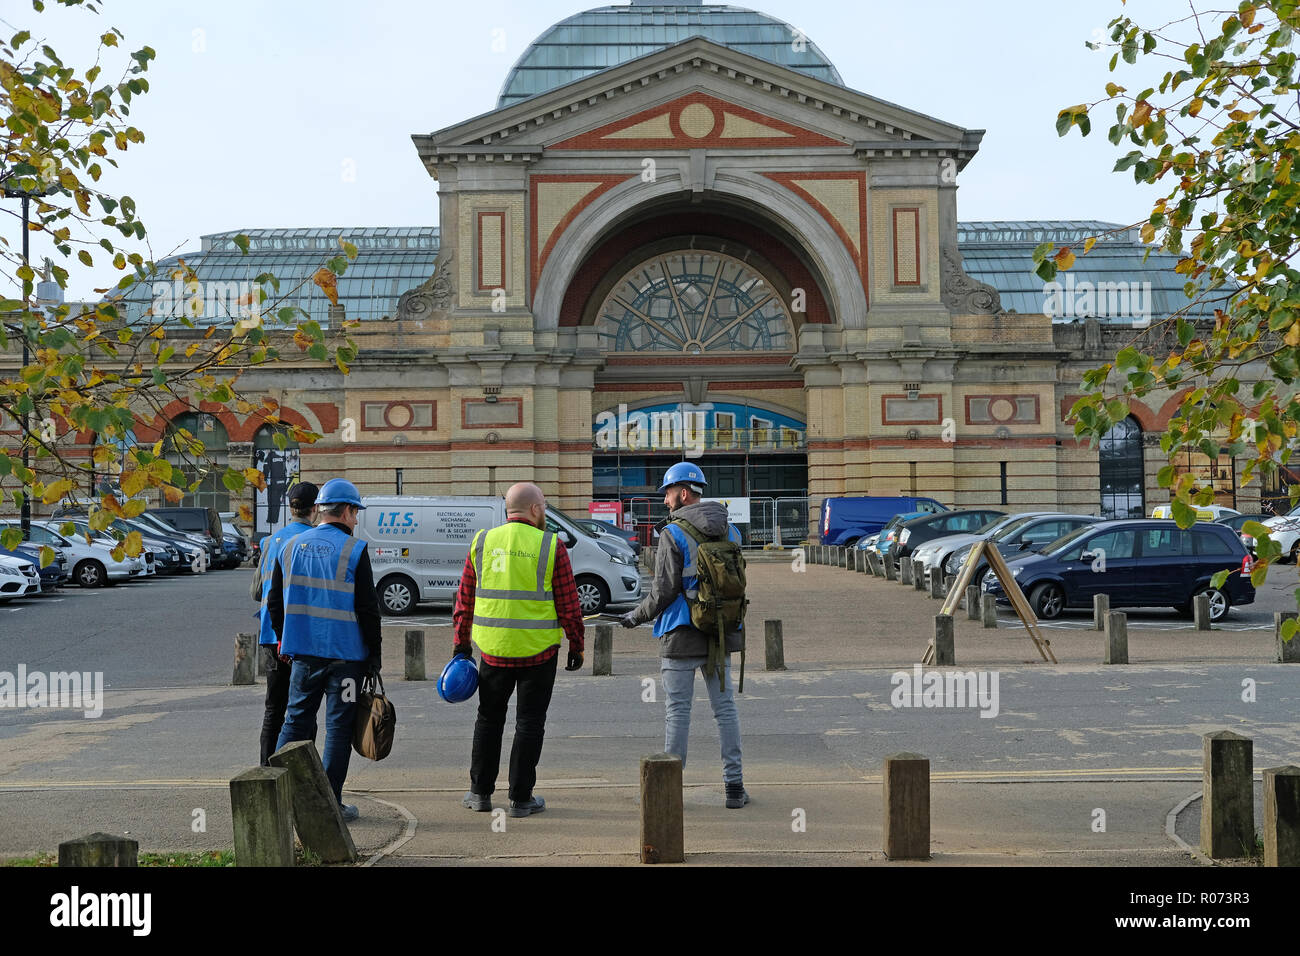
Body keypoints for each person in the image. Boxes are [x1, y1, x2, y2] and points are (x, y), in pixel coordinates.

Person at [619, 462, 749, 808]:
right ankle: (734, 787)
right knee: (725, 710)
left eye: (667, 494)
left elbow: (661, 592)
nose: (665, 501)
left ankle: (669, 790)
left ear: (683, 493)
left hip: (680, 634)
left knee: (677, 711)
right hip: (720, 633)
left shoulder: (672, 534)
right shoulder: (731, 532)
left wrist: (634, 616)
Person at [454, 482, 585, 818]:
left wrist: (461, 646)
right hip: (539, 654)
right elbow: (569, 604)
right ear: (536, 510)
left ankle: (480, 794)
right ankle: (520, 799)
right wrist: (577, 645)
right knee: (529, 723)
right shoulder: (550, 545)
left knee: (488, 718)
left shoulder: (482, 542)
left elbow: (465, 600)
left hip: (493, 652)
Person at [270, 478, 382, 823]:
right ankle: (331, 803)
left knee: (295, 721)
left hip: (303, 655)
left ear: (320, 509)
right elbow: (367, 610)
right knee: (338, 727)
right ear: (346, 511)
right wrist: (373, 657)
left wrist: (284, 639)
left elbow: (274, 602)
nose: (356, 520)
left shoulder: (289, 546)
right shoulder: (354, 550)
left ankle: (278, 797)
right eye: (355, 513)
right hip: (346, 660)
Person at [252, 480, 318, 766]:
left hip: (271, 636)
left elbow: (256, 592)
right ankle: (303, 775)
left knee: (273, 710)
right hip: (302, 637)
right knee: (304, 711)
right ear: (315, 508)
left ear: (291, 508)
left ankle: (267, 772)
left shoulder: (270, 541)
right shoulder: (314, 541)